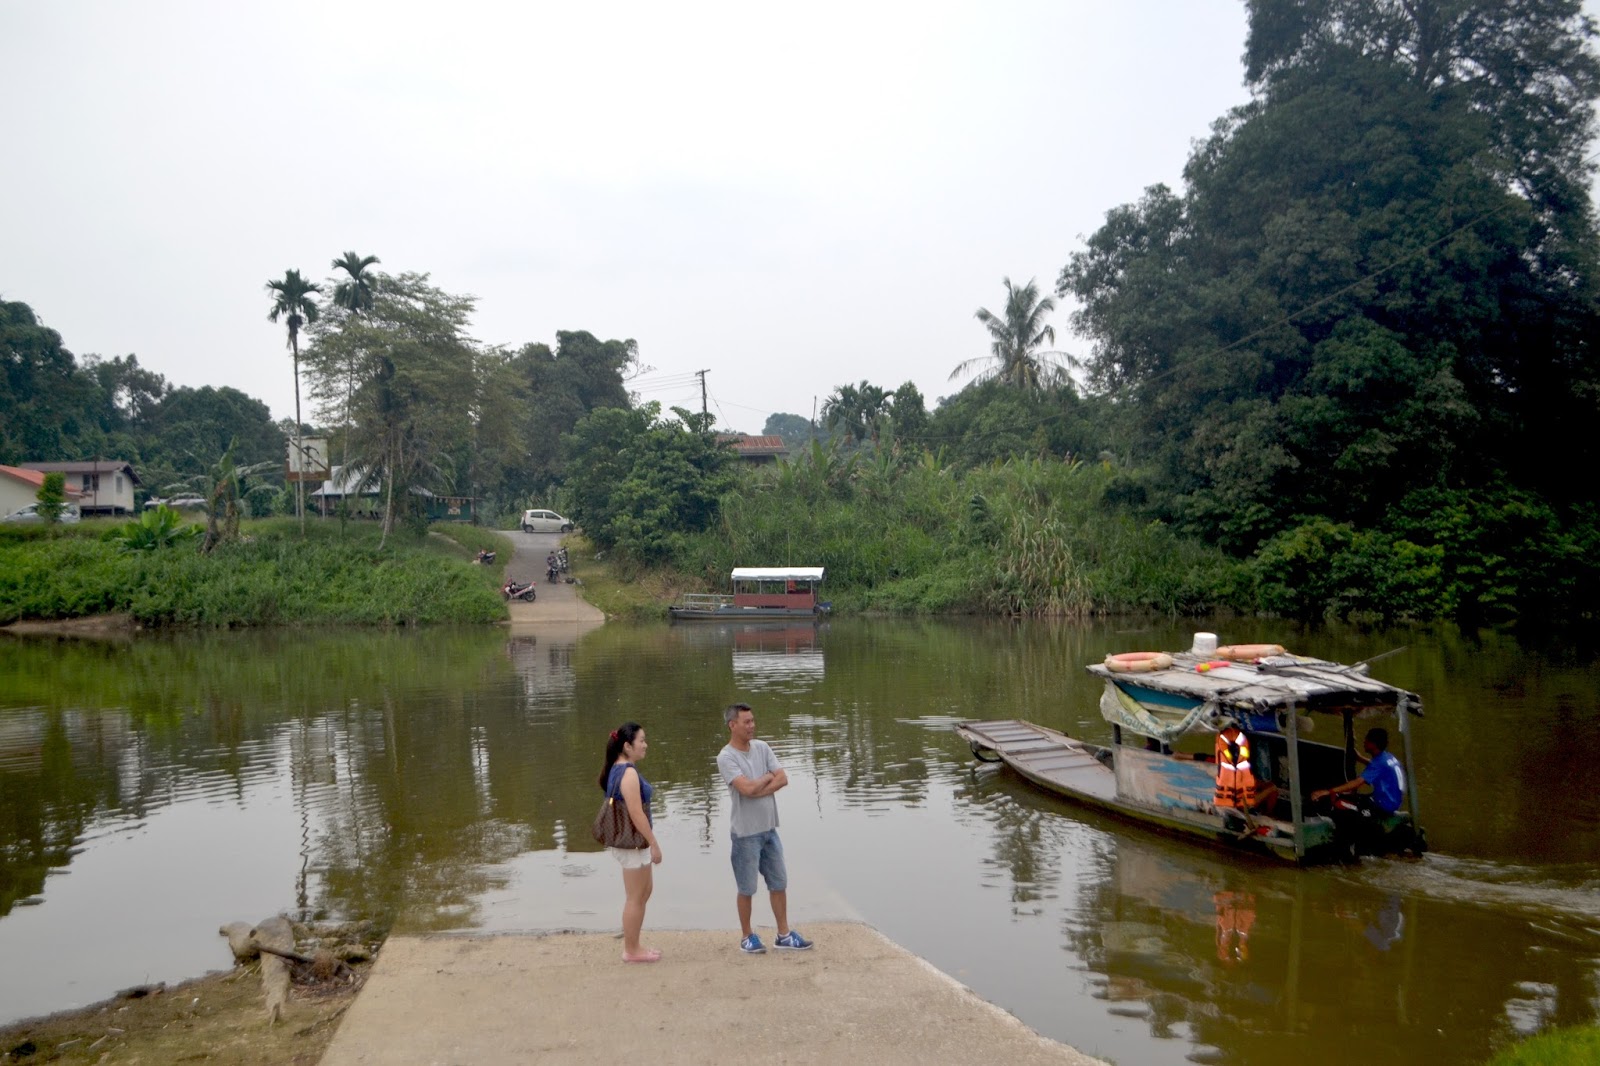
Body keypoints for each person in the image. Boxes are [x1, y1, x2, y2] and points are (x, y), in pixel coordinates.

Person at [717, 702, 813, 954]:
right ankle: (747, 936)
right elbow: (746, 788)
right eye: (746, 722)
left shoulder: (762, 747)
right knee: (746, 888)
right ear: (732, 725)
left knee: (779, 883)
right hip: (745, 833)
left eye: (753, 721)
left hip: (769, 829)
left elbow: (783, 778)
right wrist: (766, 778)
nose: (752, 726)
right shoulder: (726, 757)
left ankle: (783, 935)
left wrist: (761, 785)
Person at [600, 722, 662, 963]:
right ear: (627, 746)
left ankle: (635, 945)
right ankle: (631, 950)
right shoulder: (627, 773)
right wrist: (654, 843)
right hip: (632, 841)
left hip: (634, 841)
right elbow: (636, 813)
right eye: (641, 741)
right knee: (635, 896)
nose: (645, 745)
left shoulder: (620, 768)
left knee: (644, 891)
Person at [1311, 727, 1405, 815]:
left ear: (1373, 744)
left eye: (1367, 739)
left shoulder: (1378, 763)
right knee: (1346, 795)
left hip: (1384, 805)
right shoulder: (1387, 757)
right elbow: (1377, 768)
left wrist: (1329, 791)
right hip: (1392, 801)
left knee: (1339, 803)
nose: (1364, 741)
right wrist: (1360, 758)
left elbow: (1357, 782)